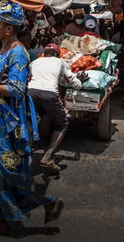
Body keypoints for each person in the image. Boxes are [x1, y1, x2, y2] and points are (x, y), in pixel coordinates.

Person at [0, 0, 63, 236]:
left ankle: (47, 202)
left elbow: (16, 89)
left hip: (10, 126)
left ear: (9, 28)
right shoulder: (2, 49)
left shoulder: (19, 54)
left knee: (9, 175)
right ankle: (0, 220)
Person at [28, 43, 84, 171]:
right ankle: (47, 156)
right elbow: (73, 81)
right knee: (62, 124)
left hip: (31, 92)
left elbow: (30, 77)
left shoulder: (35, 62)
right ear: (56, 54)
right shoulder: (61, 62)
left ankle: (24, 150)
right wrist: (80, 83)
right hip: (49, 94)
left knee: (31, 120)